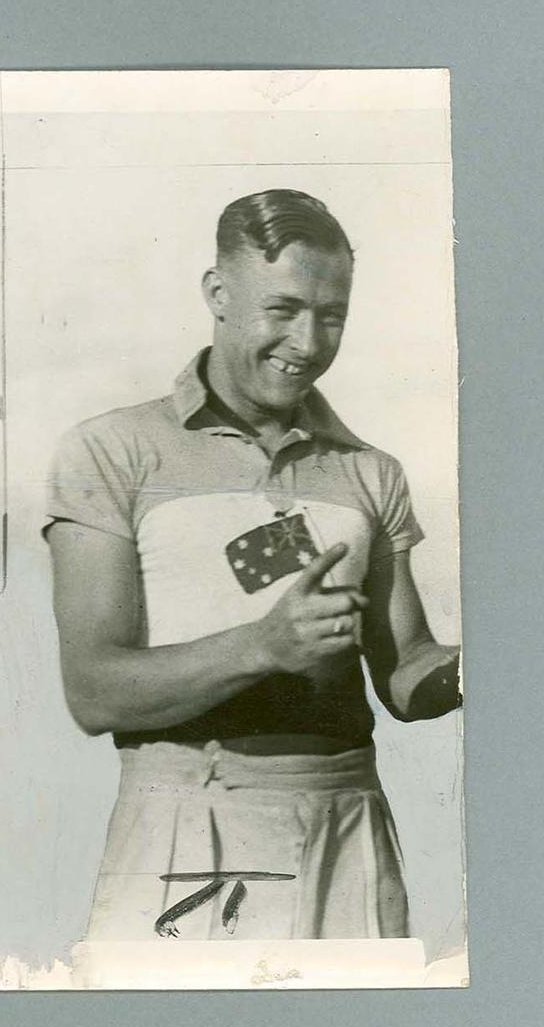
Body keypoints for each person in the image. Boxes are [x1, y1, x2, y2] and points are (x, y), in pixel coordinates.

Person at [43, 189, 460, 942]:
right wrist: (264, 646)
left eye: (331, 315)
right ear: (217, 293)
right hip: (184, 818)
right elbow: (92, 691)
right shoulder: (112, 451)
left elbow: (404, 676)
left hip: (350, 825)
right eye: (284, 309)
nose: (308, 340)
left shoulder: (372, 473)